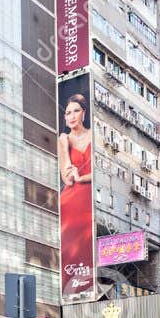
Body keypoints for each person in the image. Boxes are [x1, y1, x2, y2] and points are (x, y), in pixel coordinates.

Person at [57, 94, 93, 273]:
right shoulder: (64, 140)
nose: (71, 116)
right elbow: (67, 178)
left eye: (76, 111)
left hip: (91, 199)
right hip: (70, 202)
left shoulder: (95, 135)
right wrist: (64, 145)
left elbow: (102, 172)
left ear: (84, 113)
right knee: (71, 252)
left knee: (89, 249)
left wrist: (82, 178)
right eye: (68, 113)